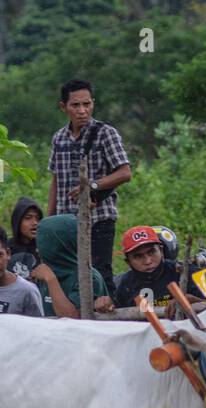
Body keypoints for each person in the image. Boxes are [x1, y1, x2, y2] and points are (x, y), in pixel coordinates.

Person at [47, 79, 132, 291]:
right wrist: (48, 222)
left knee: (100, 272)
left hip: (99, 217)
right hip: (66, 221)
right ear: (63, 107)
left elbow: (124, 173)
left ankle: (107, 316)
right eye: (75, 105)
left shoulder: (105, 133)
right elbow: (55, 182)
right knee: (69, 273)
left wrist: (92, 186)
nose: (82, 110)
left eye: (87, 104)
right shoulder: (59, 138)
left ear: (93, 103)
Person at [31, 213, 112, 316]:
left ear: (58, 245)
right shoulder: (43, 272)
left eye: (43, 242)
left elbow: (71, 319)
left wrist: (51, 280)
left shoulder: (88, 277)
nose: (38, 249)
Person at [111, 225, 196, 310]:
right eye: (138, 256)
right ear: (128, 262)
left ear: (161, 251)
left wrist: (192, 300)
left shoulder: (189, 272)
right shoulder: (125, 285)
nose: (148, 261)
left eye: (151, 252)